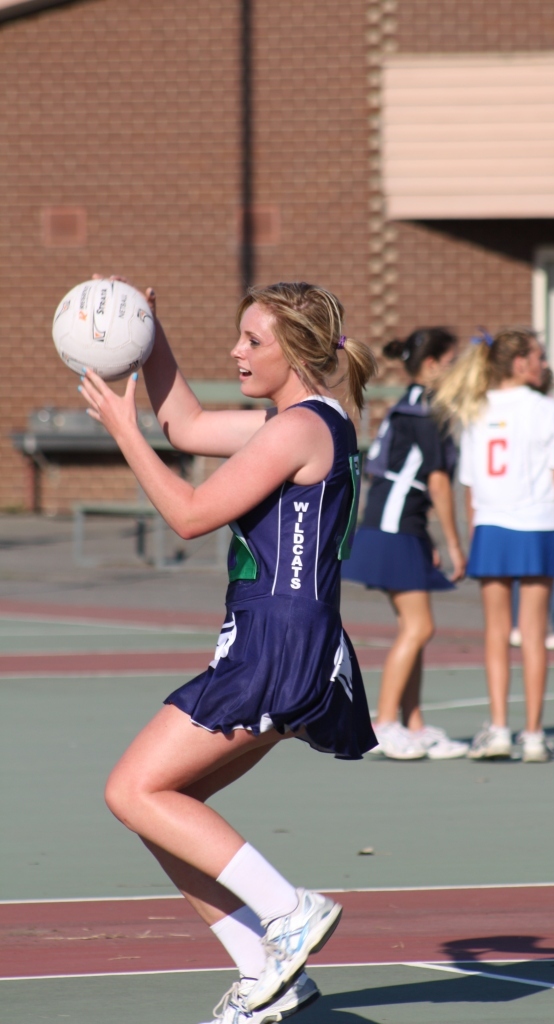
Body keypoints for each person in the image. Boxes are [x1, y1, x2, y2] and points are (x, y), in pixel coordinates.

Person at [78, 281, 377, 1024]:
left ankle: (290, 909)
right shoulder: (304, 422)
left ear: (298, 351)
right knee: (165, 809)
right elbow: (184, 425)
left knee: (132, 792)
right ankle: (264, 963)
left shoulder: (293, 431)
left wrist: (121, 427)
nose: (237, 352)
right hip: (285, 635)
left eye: (254, 341)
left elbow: (187, 514)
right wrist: (149, 338)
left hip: (278, 638)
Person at [436, 328, 554, 763]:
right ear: (519, 362)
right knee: (534, 635)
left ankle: (500, 729)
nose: (543, 364)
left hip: (493, 527)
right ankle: (534, 736)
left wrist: (469, 536)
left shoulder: (475, 409)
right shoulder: (545, 409)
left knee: (497, 635)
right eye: (538, 356)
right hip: (539, 525)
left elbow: (469, 486)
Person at [342, 328, 468, 761]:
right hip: (392, 528)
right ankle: (385, 723)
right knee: (419, 628)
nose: (455, 372)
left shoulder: (413, 408)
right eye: (451, 363)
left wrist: (427, 537)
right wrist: (454, 543)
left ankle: (413, 724)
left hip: (402, 527)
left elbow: (406, 478)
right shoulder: (423, 412)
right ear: (432, 365)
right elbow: (435, 481)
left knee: (415, 628)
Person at [509, 363, 554, 650]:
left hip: (540, 507)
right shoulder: (514, 410)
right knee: (534, 571)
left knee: (544, 571)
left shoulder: (545, 410)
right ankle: (529, 626)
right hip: (527, 505)